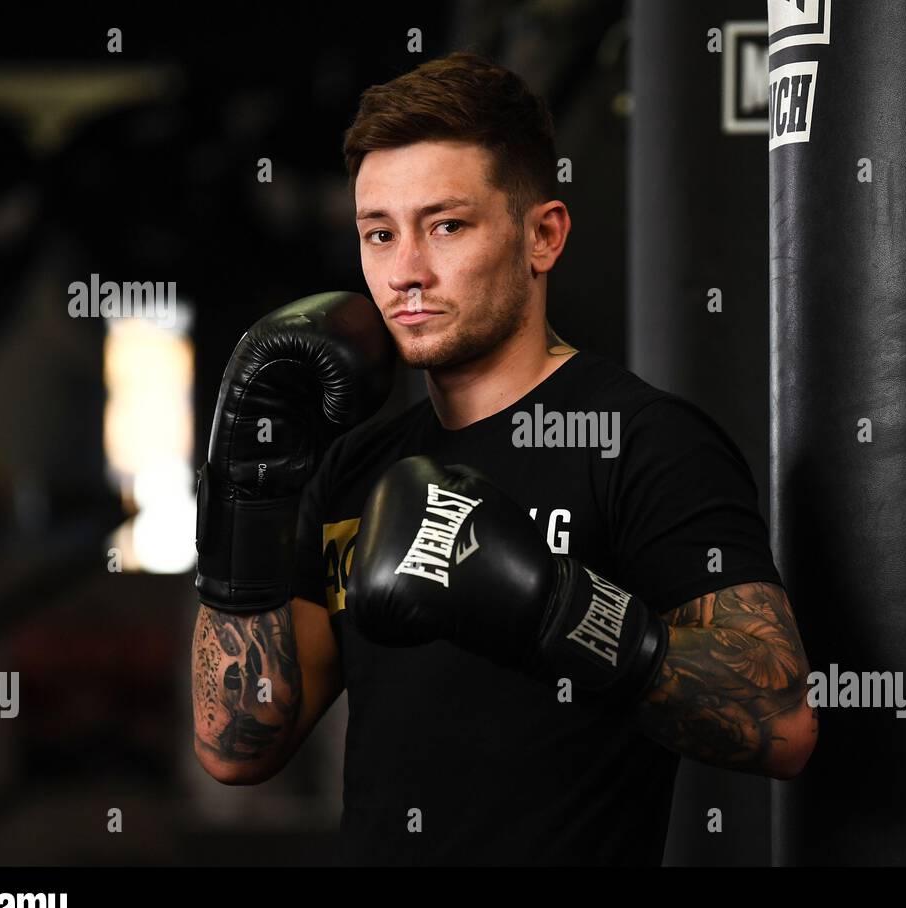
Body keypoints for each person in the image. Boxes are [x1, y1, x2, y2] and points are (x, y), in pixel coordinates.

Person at [191, 51, 816, 866]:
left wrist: (556, 609)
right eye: (380, 234)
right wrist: (245, 492)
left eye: (446, 225)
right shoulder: (353, 468)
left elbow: (781, 722)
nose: (406, 272)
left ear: (542, 235)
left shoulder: (643, 442)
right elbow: (237, 744)